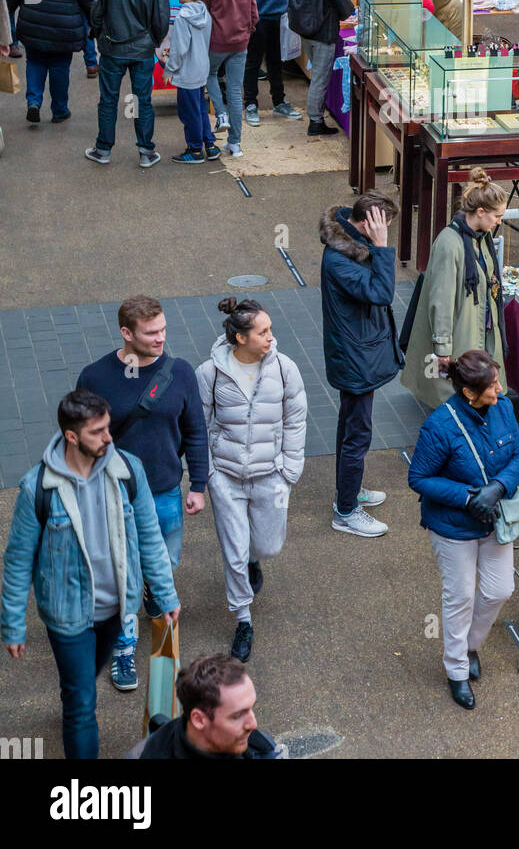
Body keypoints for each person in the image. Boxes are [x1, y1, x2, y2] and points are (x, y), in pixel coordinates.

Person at [0, 387, 180, 760]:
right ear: (71, 436)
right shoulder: (38, 488)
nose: (108, 437)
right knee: (82, 706)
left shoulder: (128, 470)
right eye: (97, 431)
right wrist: (13, 625)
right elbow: (17, 561)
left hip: (116, 609)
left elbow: (149, 538)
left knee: (84, 681)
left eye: (108, 427)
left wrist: (165, 595)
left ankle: (75, 687)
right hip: (67, 617)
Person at [74, 295, 207, 693]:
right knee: (121, 577)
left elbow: (196, 431)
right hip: (114, 494)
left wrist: (198, 484)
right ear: (127, 333)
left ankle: (155, 588)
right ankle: (124, 646)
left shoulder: (180, 373)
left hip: (165, 490)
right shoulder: (95, 378)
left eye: (164, 329)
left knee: (165, 563)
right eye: (151, 333)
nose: (161, 338)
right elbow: (79, 439)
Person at [408, 349, 519, 709]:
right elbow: (418, 477)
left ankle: (470, 644)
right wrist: (466, 497)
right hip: (453, 527)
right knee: (459, 597)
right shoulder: (440, 426)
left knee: (498, 590)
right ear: (468, 393)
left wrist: (498, 487)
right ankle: (457, 669)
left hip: (493, 520)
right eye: (492, 385)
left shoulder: (503, 407)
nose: (500, 389)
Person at [197, 298, 307, 662]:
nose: (271, 338)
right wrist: (208, 473)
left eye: (270, 329)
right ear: (240, 338)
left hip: (270, 476)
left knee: (268, 545)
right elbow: (199, 425)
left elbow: (296, 418)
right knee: (233, 550)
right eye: (263, 332)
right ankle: (243, 619)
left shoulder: (285, 369)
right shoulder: (210, 373)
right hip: (225, 479)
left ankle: (253, 559)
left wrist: (289, 469)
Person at [319, 192, 401, 538]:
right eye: (385, 226)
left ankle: (348, 492)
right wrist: (382, 248)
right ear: (368, 223)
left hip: (355, 353)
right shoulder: (339, 260)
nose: (388, 232)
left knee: (349, 426)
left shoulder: (348, 241)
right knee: (357, 434)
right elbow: (381, 293)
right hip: (353, 359)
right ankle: (347, 511)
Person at [403, 168, 508, 410]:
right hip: (462, 334)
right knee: (454, 399)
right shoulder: (450, 245)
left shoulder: (480, 237)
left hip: (475, 330)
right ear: (480, 212)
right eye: (497, 216)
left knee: (470, 396)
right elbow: (441, 301)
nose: (499, 222)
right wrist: (442, 349)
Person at [86, 0, 169, 168]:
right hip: (142, 51)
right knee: (141, 100)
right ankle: (145, 150)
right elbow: (161, 23)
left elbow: (96, 13)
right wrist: (152, 41)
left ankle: (103, 149)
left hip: (112, 48)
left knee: (108, 99)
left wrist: (103, 34)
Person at [135, 653, 287, 759]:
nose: (253, 724)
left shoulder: (259, 747)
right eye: (238, 715)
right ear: (199, 719)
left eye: (251, 708)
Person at [17, 0, 93, 125]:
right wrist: (95, 25)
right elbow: (89, 0)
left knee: (34, 62)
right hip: (64, 28)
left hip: (32, 24)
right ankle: (60, 110)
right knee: (60, 67)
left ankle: (33, 102)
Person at [200, 0, 258, 159]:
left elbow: (203, 14)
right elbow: (254, 12)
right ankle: (235, 143)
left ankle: (220, 114)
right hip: (241, 41)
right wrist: (248, 30)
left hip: (216, 41)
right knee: (235, 90)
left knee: (209, 74)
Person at [160, 0, 220, 164]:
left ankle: (194, 149)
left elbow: (180, 49)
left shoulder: (182, 18)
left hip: (187, 72)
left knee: (189, 113)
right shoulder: (205, 12)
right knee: (200, 108)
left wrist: (169, 69)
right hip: (202, 67)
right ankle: (209, 144)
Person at [300, 0, 354, 137]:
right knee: (320, 79)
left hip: (306, 31)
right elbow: (347, 10)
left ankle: (317, 116)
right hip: (323, 34)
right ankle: (315, 121)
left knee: (318, 75)